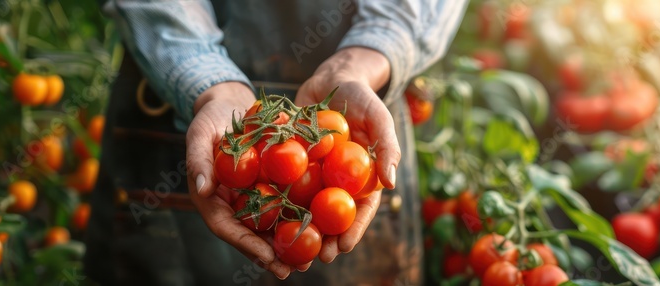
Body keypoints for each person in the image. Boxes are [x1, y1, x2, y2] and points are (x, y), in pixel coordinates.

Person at [84, 1, 466, 285]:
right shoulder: (298, 149)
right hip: (170, 111)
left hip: (360, 103)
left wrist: (361, 60)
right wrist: (207, 83)